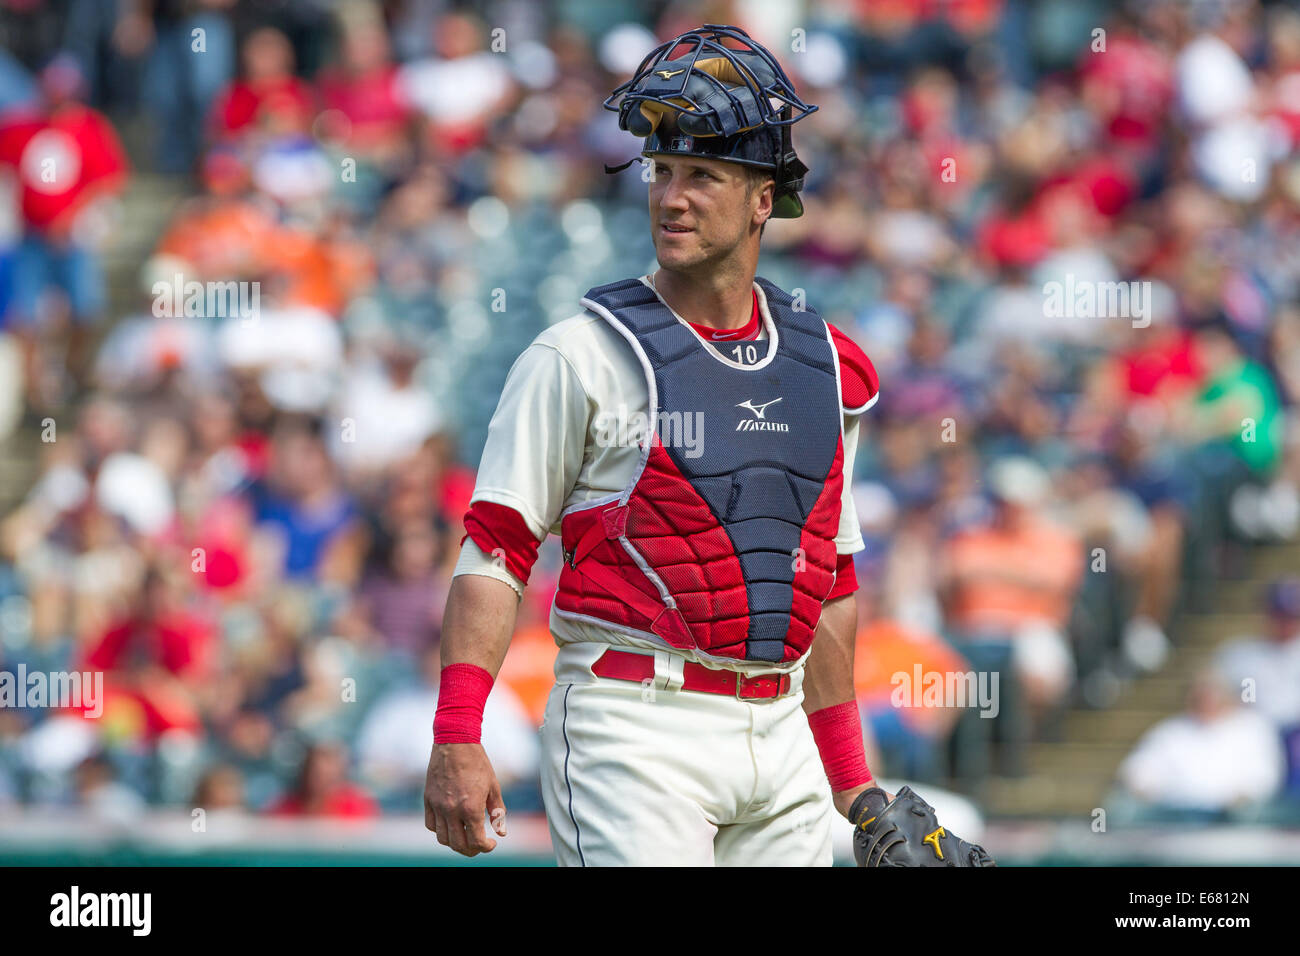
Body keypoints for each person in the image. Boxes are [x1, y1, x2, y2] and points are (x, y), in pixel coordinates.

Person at [424, 25, 890, 866]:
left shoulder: (827, 365)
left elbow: (830, 575)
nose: (670, 197)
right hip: (631, 722)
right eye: (661, 171)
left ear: (763, 198)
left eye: (702, 176)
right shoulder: (578, 353)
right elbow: (495, 550)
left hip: (781, 735)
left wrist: (851, 783)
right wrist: (459, 731)